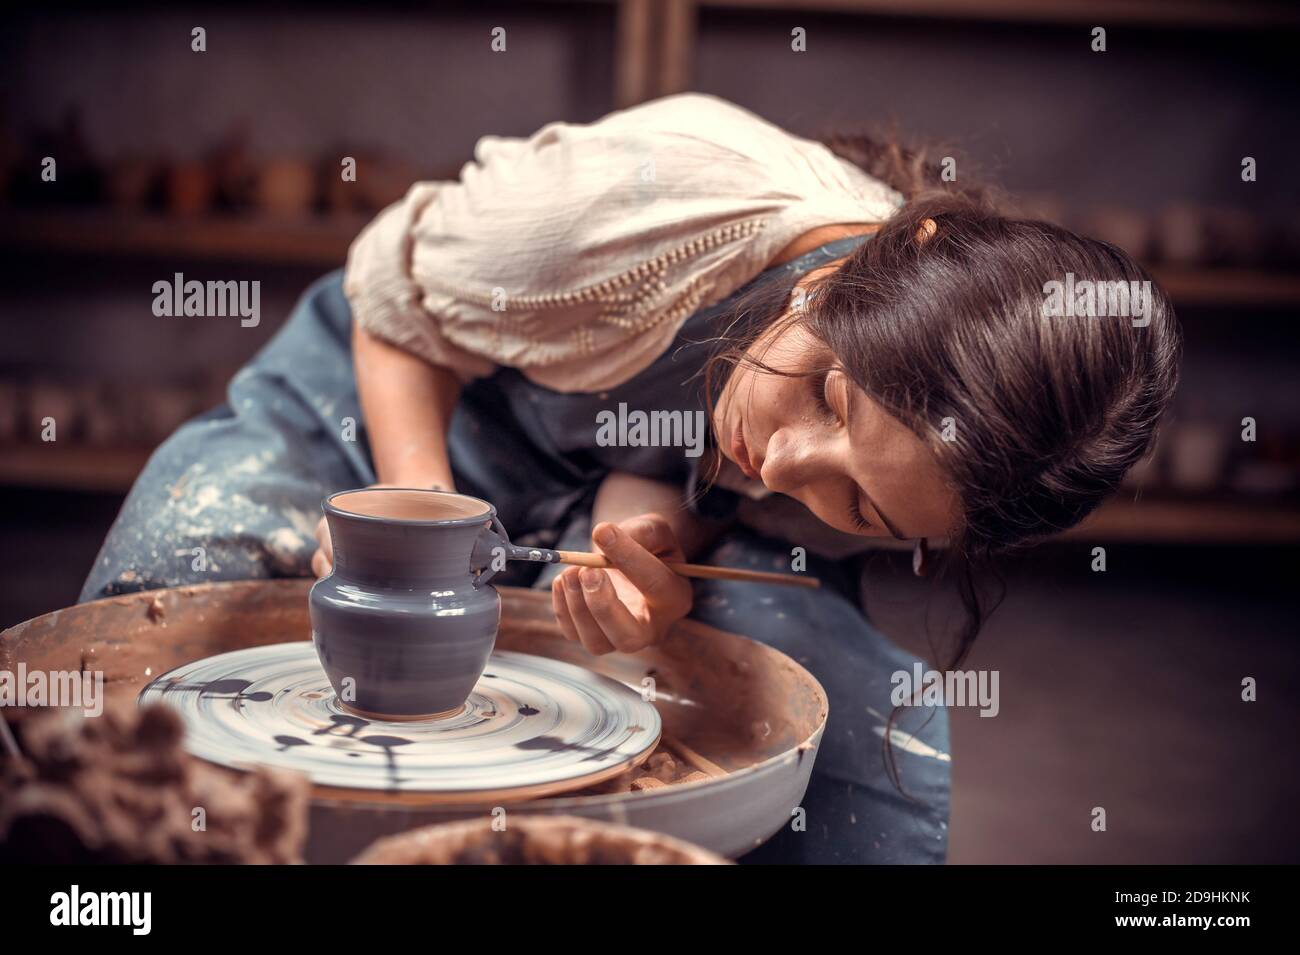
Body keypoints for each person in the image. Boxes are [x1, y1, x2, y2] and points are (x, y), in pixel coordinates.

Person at [82, 93, 1181, 863]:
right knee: (178, 578)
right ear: (877, 265)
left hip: (588, 466)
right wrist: (415, 513)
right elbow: (391, 297)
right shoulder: (631, 211)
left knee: (862, 742)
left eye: (857, 505)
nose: (790, 463)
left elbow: (672, 459)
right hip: (406, 387)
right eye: (829, 399)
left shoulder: (893, 460)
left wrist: (652, 556)